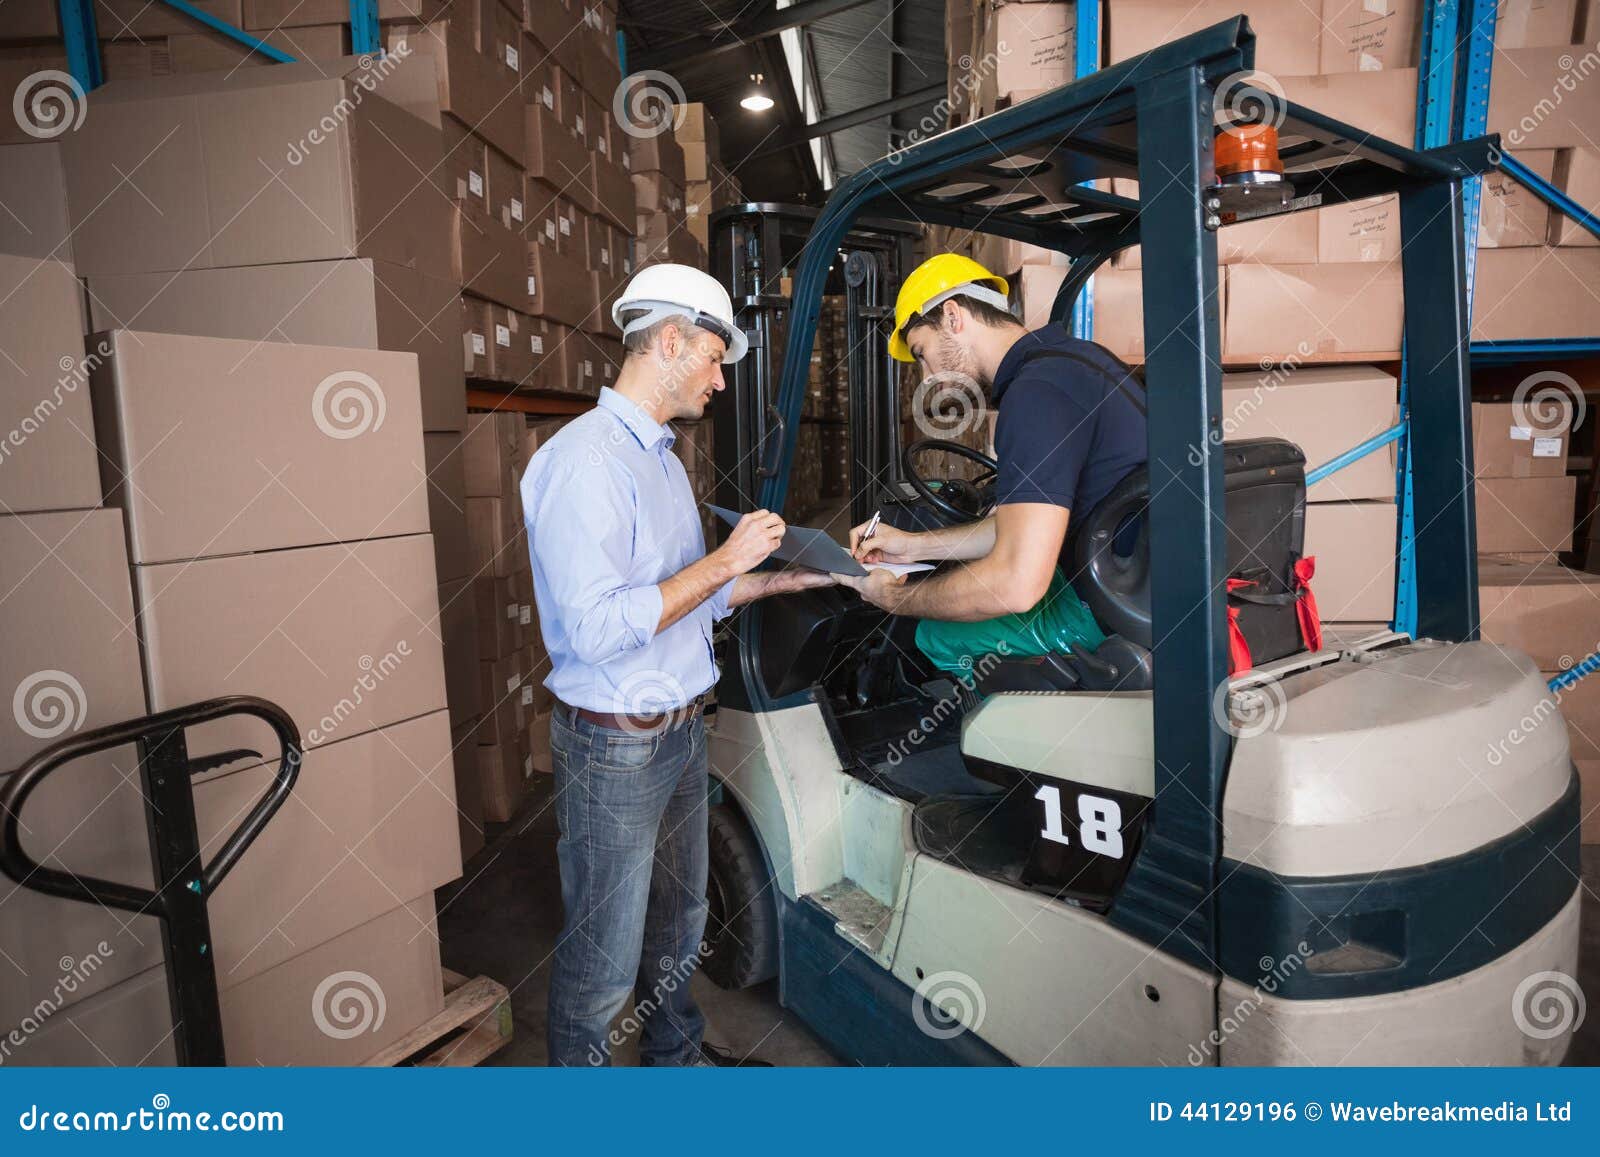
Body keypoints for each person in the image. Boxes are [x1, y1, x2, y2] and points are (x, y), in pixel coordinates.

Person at [524, 264, 834, 1067]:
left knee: (680, 924)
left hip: (679, 733)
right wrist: (727, 555)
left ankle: (676, 1061)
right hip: (615, 746)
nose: (721, 381)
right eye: (714, 358)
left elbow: (683, 600)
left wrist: (771, 578)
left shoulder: (659, 458)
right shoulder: (585, 463)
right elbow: (596, 627)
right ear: (670, 341)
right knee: (602, 959)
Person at [844, 253, 1147, 623]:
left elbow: (1016, 584)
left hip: (1105, 609)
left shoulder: (1036, 393)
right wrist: (910, 546)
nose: (927, 377)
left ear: (953, 317)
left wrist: (893, 596)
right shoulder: (1076, 361)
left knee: (931, 635)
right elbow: (1022, 527)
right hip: (1135, 584)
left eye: (922, 353)